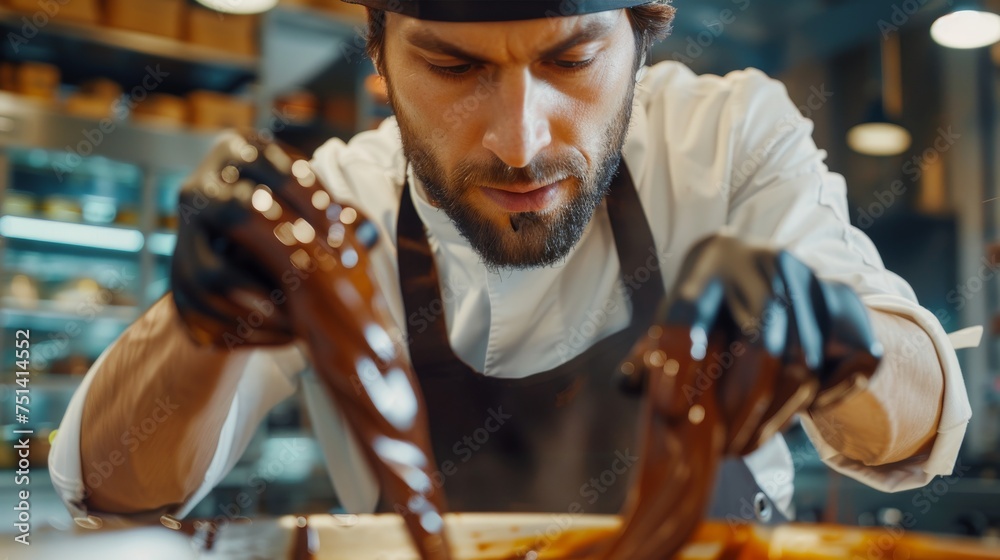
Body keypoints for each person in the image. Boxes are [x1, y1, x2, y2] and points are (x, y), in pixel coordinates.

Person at [50, 0, 974, 528]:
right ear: (377, 54)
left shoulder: (726, 143)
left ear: (643, 33)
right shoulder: (332, 211)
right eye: (453, 70)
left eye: (571, 59)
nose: (520, 143)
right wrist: (199, 330)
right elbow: (113, 488)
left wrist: (841, 335)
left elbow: (913, 428)